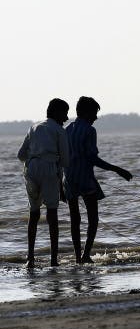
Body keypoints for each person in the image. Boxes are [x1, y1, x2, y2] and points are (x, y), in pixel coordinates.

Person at [64, 96, 133, 264]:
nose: (96, 117)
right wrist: (118, 170)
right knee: (93, 218)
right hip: (85, 179)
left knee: (75, 219)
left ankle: (77, 256)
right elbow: (93, 158)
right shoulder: (89, 130)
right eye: (94, 113)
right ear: (87, 112)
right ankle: (86, 255)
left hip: (69, 179)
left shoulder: (67, 129)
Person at [18, 99, 71, 268]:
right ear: (55, 113)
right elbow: (65, 160)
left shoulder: (33, 127)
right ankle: (53, 260)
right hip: (49, 169)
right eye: (64, 113)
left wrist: (34, 160)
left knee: (34, 213)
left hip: (31, 169)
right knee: (52, 213)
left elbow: (20, 155)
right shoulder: (59, 131)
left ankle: (30, 258)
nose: (66, 117)